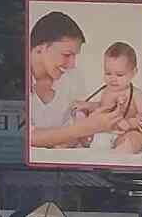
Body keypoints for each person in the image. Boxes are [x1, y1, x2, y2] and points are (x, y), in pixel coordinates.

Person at [26, 11, 123, 150]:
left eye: (74, 56)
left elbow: (79, 116)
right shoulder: (14, 79)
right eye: (66, 55)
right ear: (40, 49)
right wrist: (85, 128)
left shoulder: (73, 76)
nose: (72, 64)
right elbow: (27, 136)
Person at [70, 42, 142, 159]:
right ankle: (78, 144)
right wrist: (88, 105)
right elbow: (102, 107)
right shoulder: (106, 91)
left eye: (119, 75)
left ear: (133, 73)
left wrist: (129, 123)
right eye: (108, 73)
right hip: (103, 132)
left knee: (134, 138)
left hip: (124, 133)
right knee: (81, 125)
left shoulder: (137, 95)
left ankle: (121, 152)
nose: (113, 79)